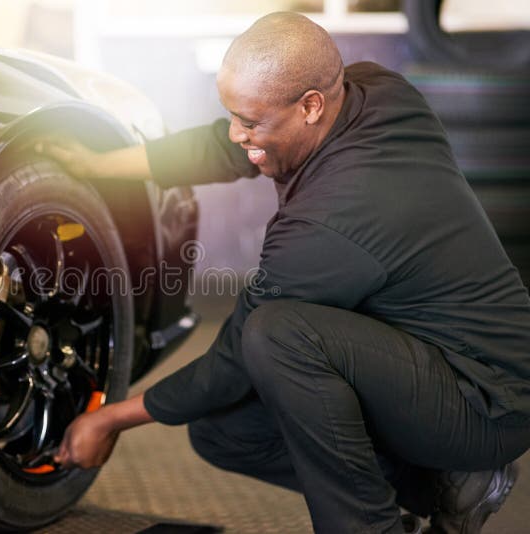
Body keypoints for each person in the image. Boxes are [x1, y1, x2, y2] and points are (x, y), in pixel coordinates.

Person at [37, 12, 530, 534]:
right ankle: (449, 484)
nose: (237, 132)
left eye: (249, 122)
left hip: (485, 400)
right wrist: (96, 166)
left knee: (277, 336)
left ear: (311, 106)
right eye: (233, 115)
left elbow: (232, 359)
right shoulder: (377, 90)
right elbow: (227, 146)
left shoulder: (329, 221)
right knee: (224, 431)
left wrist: (110, 417)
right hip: (429, 359)